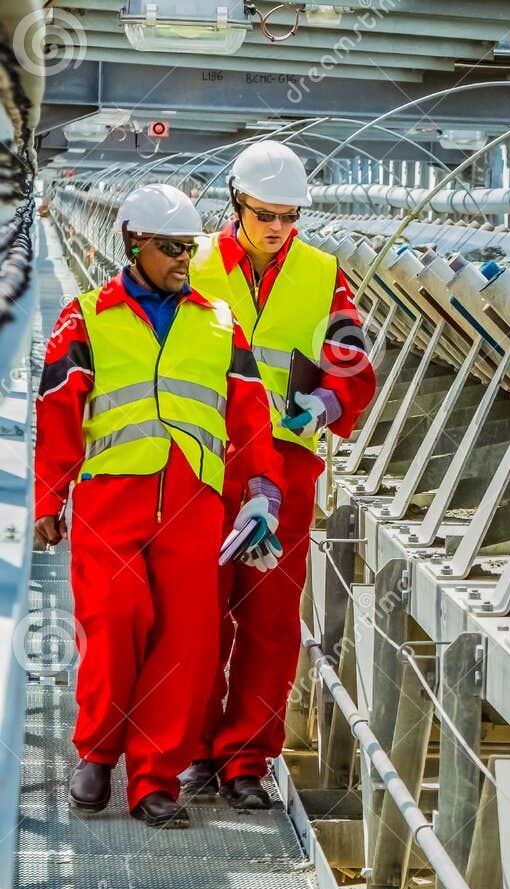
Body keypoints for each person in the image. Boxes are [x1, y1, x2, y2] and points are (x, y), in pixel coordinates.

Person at [34, 184, 284, 828]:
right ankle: (96, 753)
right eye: (171, 248)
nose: (183, 260)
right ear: (133, 245)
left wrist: (262, 494)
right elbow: (59, 411)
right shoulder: (86, 316)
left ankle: (154, 780)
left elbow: (251, 420)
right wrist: (48, 496)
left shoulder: (219, 323)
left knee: (188, 642)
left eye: (190, 248)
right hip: (110, 500)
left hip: (194, 504)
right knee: (115, 622)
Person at [182, 140, 375, 809]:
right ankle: (194, 751)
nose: (277, 227)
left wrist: (327, 398)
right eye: (265, 213)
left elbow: (350, 351)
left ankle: (244, 760)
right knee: (199, 614)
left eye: (289, 216)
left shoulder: (322, 273)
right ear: (236, 203)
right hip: (207, 466)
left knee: (268, 621)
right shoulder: (195, 263)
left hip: (285, 471)